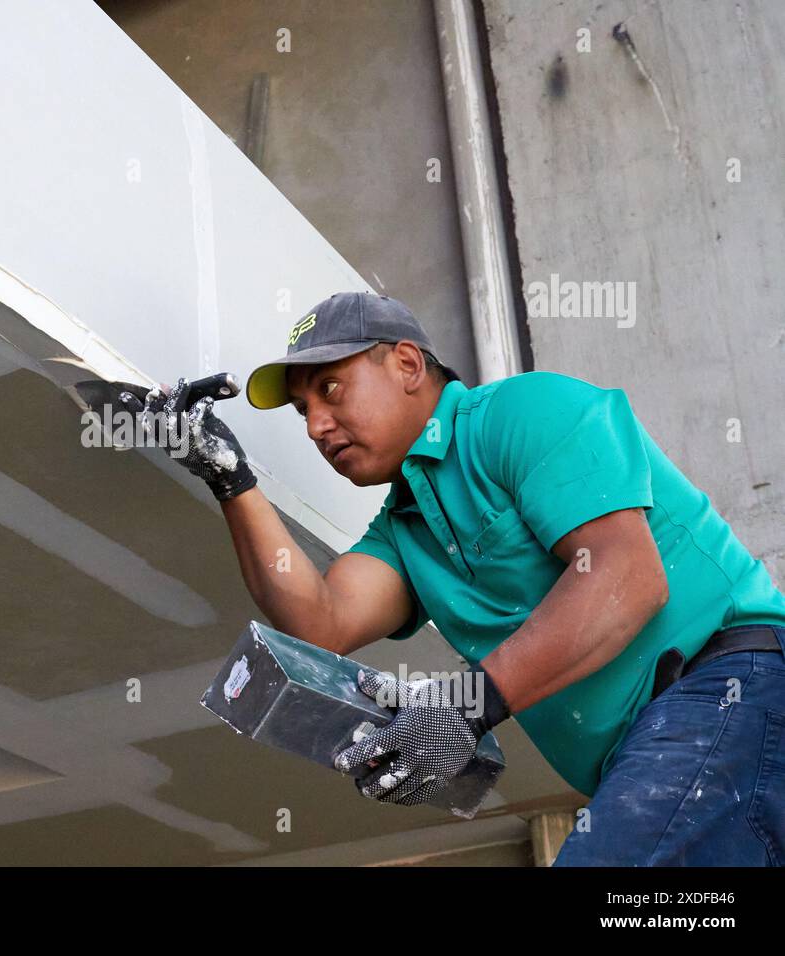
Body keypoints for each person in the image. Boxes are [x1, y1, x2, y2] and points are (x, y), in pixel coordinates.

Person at [128, 290, 785, 865]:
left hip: (732, 692)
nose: (317, 427)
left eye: (329, 389)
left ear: (408, 363)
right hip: (655, 755)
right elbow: (319, 621)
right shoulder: (405, 525)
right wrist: (228, 476)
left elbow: (627, 576)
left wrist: (468, 706)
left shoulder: (526, 411)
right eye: (302, 411)